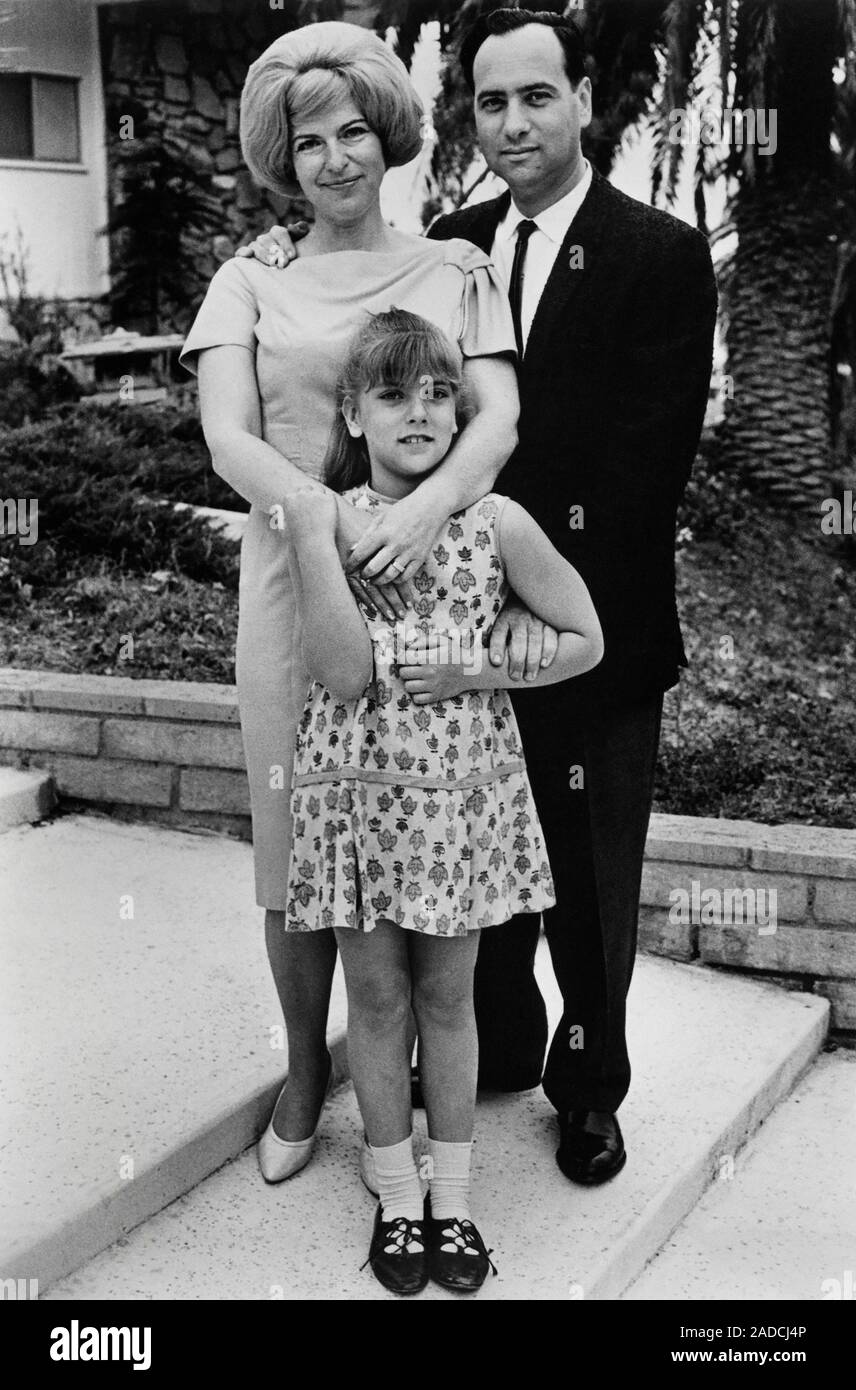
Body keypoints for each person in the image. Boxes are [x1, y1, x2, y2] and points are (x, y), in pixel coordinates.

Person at [242, 9, 718, 1188]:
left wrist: (529, 612)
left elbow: (642, 464)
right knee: (473, 859)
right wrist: (274, 251)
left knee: (590, 883)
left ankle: (591, 1089)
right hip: (437, 615)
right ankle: (496, 1045)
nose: (512, 123)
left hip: (569, 611)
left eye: (536, 97)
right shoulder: (448, 246)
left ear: (583, 99)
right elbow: (365, 354)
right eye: (491, 103)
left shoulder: (658, 252)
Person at [179, 21, 521, 1185]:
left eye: (356, 134)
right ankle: (303, 1070)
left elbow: (498, 422)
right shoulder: (248, 279)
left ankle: (413, 1084)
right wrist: (323, 516)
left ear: (391, 139)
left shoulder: (455, 270)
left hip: (428, 592)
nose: (335, 159)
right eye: (310, 140)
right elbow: (227, 437)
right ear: (283, 155)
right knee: (293, 845)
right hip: (293, 586)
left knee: (408, 832)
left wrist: (417, 519)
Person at [282, 307, 602, 1294]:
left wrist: (478, 671)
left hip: (459, 805)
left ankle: (453, 1198)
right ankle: (395, 1192)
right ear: (354, 409)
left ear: (459, 408)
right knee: (375, 998)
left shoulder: (494, 522)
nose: (417, 412)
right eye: (391, 394)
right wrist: (312, 528)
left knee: (447, 997)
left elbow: (586, 637)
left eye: (436, 393)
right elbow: (339, 673)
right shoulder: (333, 518)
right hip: (359, 804)